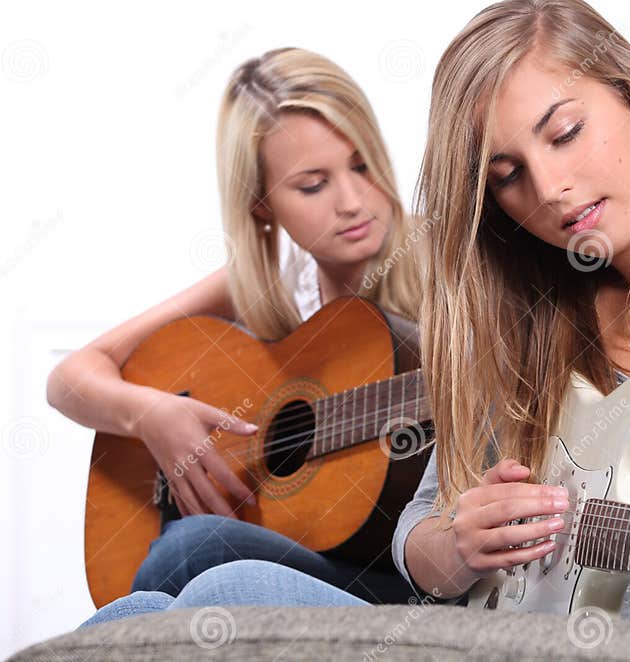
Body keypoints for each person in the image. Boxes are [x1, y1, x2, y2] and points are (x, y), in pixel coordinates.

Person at [76, 0, 630, 636]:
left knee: (222, 585)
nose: (549, 189)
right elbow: (422, 530)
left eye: (566, 132)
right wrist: (456, 544)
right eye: (506, 175)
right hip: (490, 628)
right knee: (160, 592)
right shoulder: (525, 308)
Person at [48, 47, 426, 606]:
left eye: (363, 164)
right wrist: (153, 415)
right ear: (260, 204)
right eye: (313, 184)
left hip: (410, 575)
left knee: (187, 552)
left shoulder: (454, 263)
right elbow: (69, 380)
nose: (353, 201)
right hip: (311, 557)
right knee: (170, 574)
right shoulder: (272, 282)